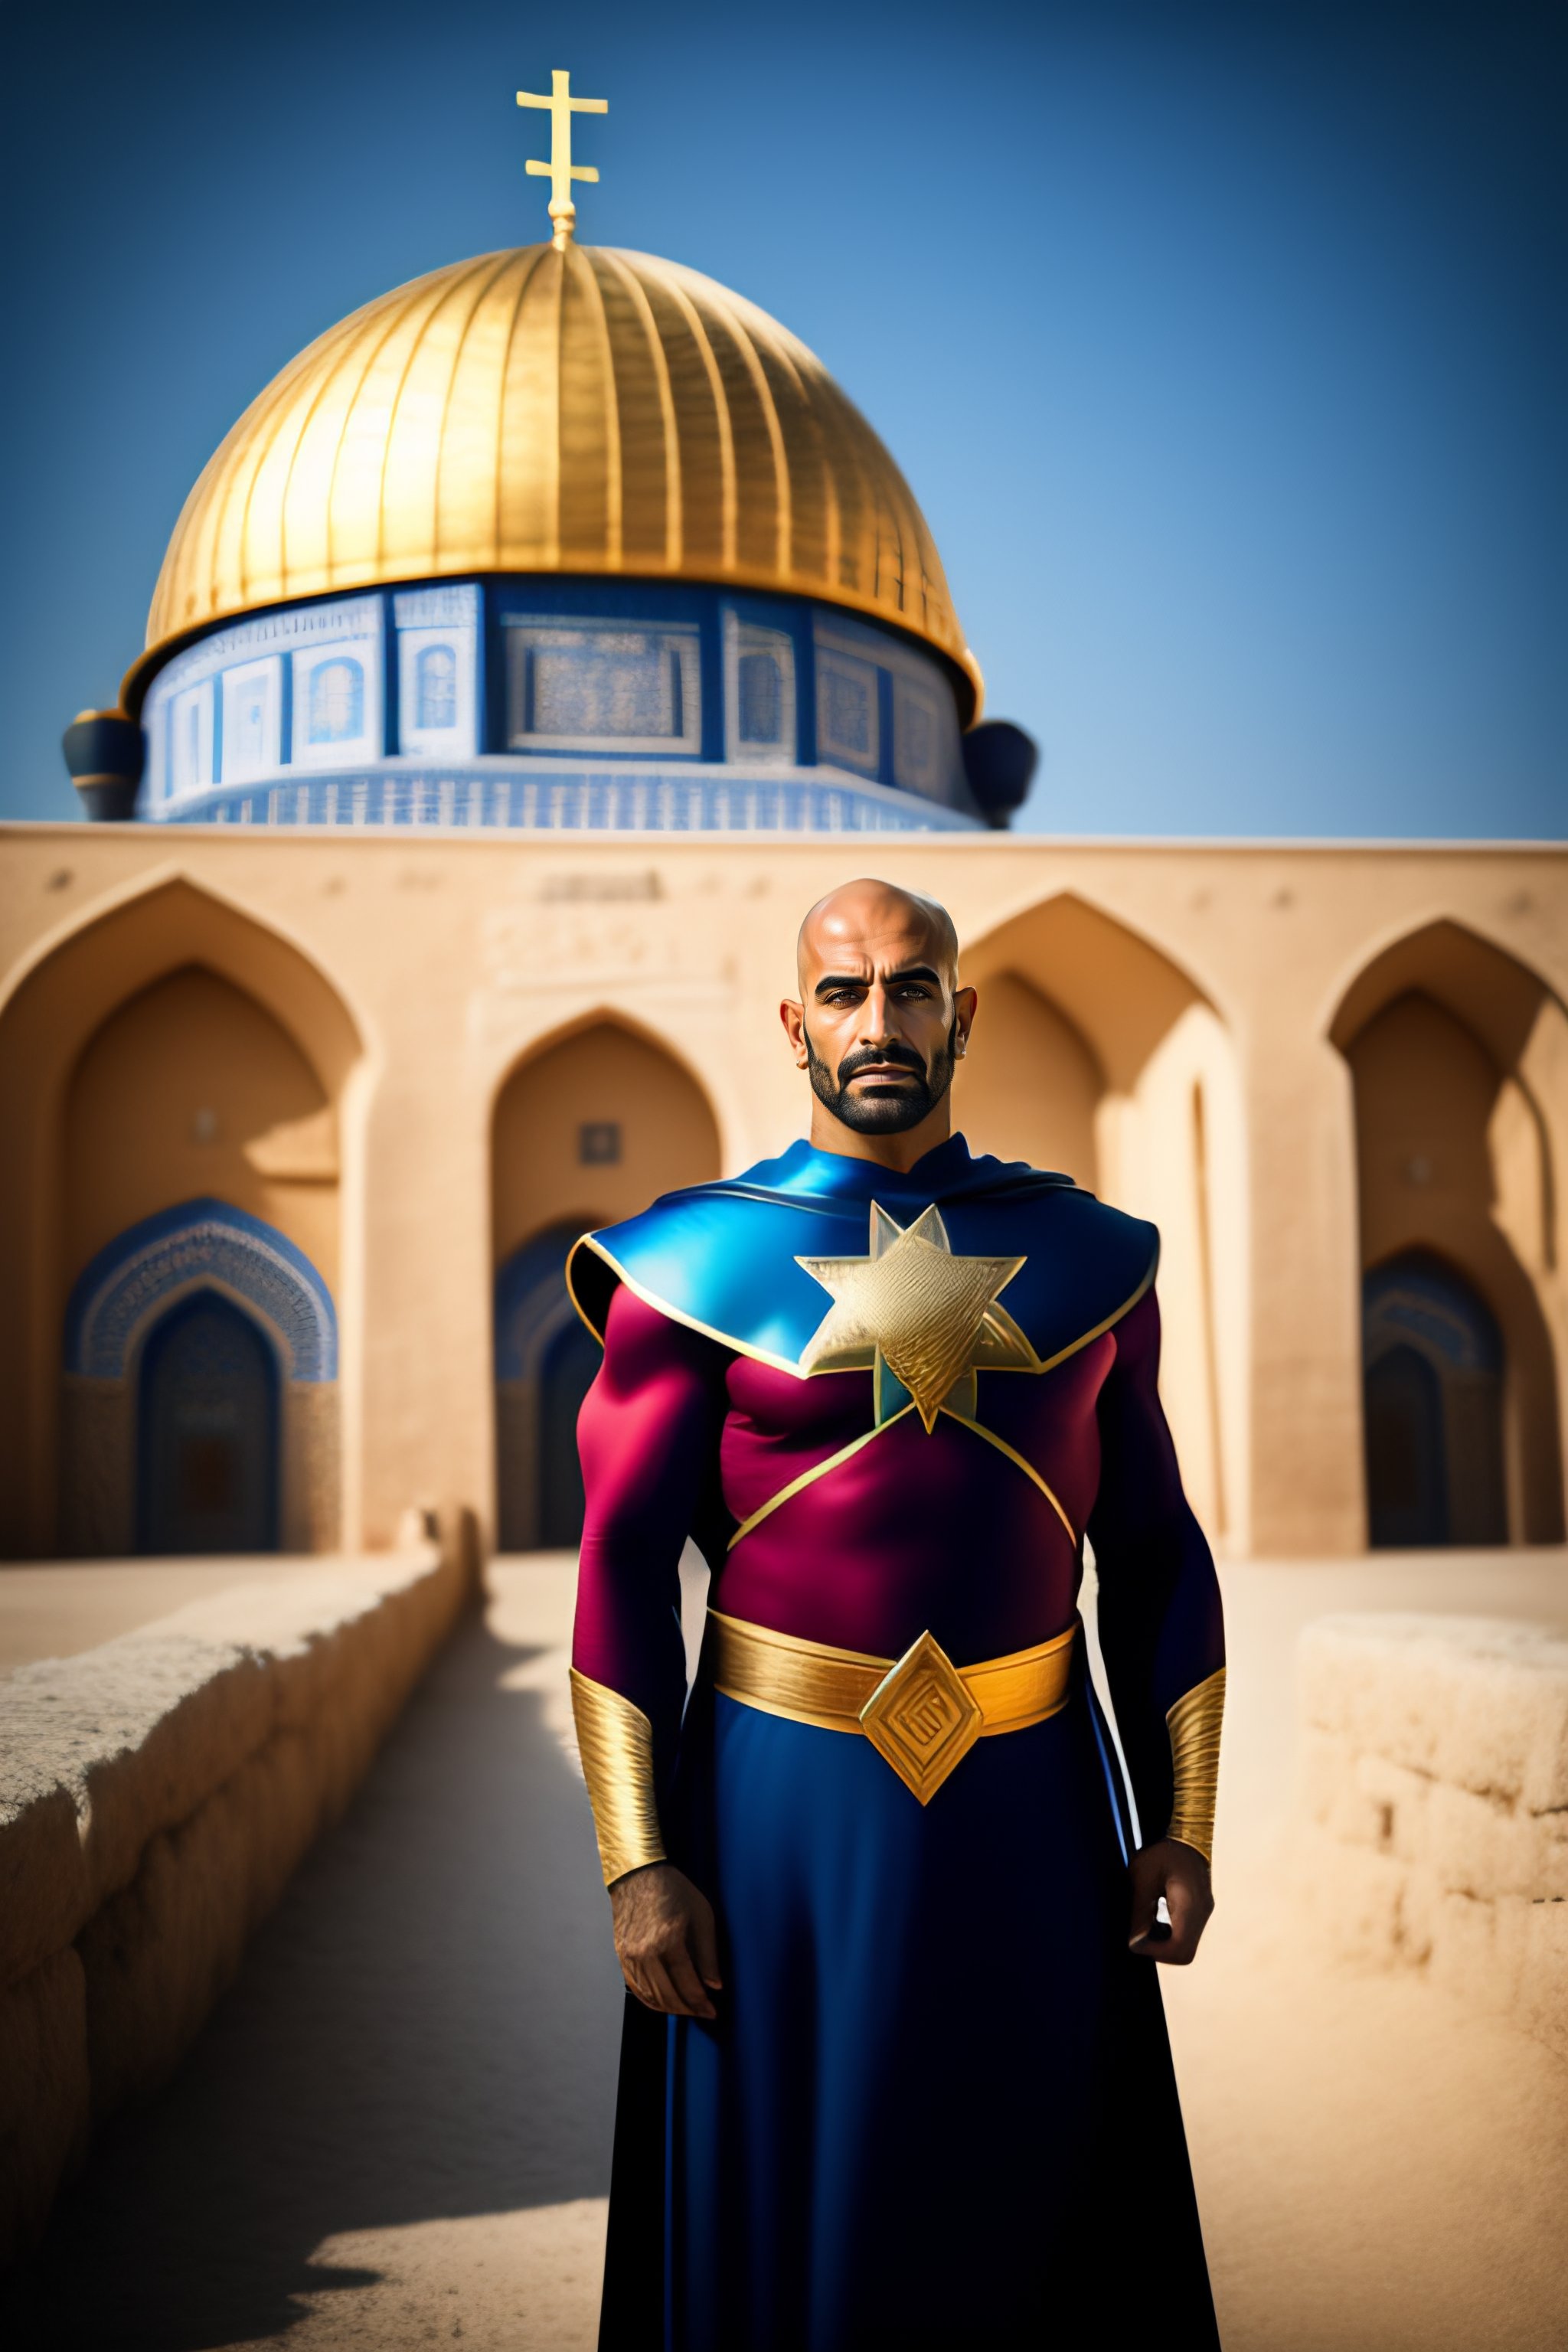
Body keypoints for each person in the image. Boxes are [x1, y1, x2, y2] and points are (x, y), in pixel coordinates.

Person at [567, 878, 1225, 2352]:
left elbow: (1156, 1549)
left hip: (1031, 1800)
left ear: (960, 1012)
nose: (881, 1021)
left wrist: (1182, 1816)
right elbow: (618, 1567)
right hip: (778, 1813)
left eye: (912, 987)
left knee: (1040, 2181)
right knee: (800, 2195)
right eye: (847, 993)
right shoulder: (686, 1269)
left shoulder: (1093, 1256)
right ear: (795, 1022)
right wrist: (638, 1864)